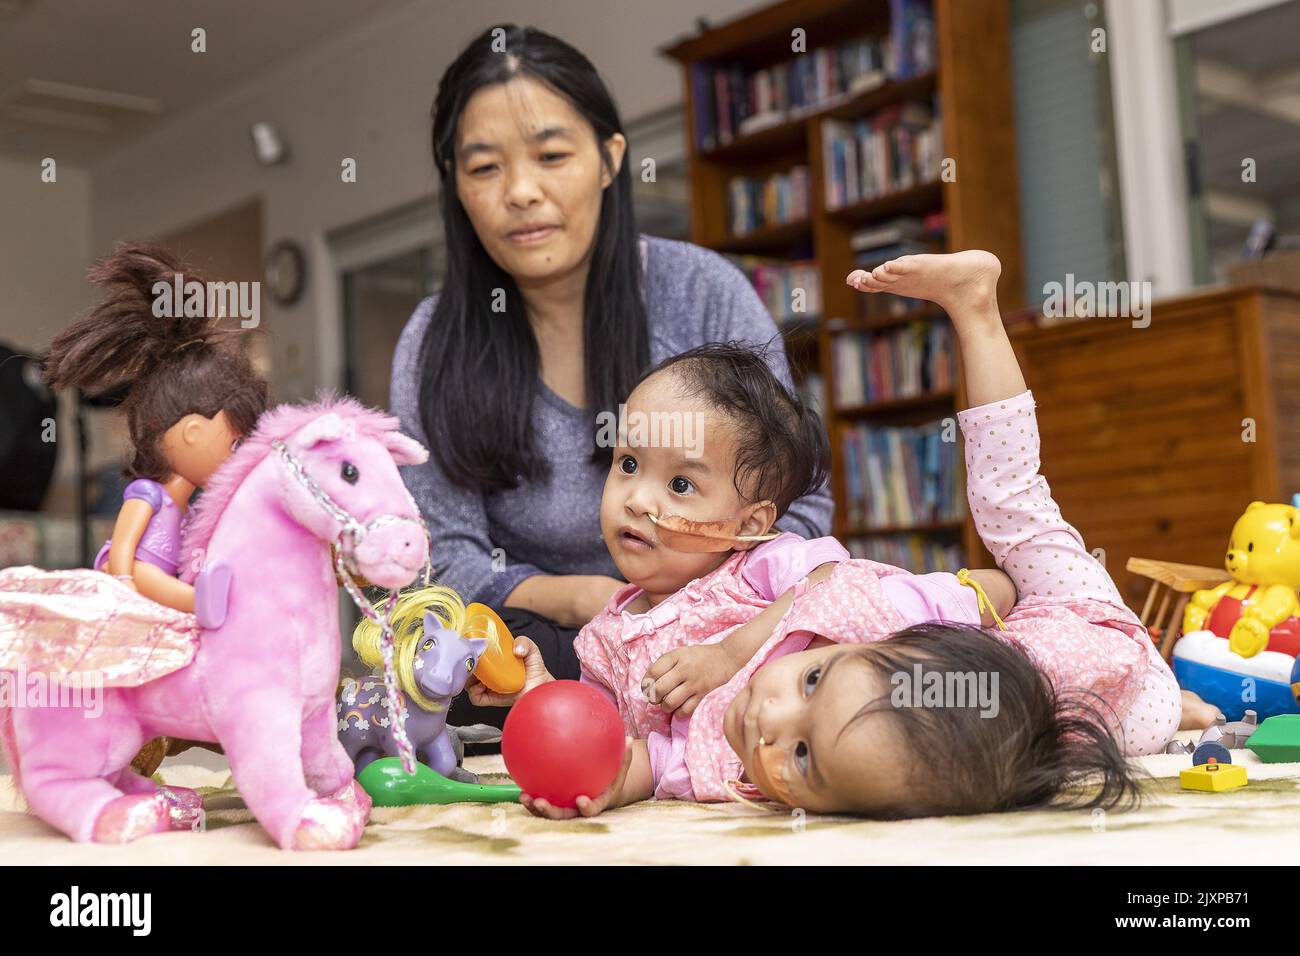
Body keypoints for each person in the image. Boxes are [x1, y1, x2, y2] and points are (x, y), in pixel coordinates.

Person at [389, 25, 832, 714]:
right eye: (483, 168)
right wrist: (584, 598)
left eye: (552, 155)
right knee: (463, 652)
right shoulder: (431, 341)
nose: (521, 192)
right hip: (548, 638)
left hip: (719, 628)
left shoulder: (700, 291)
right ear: (454, 184)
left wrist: (700, 612)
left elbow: (798, 504)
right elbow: (437, 559)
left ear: (609, 158)